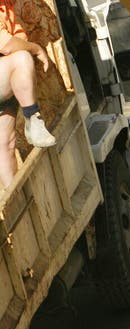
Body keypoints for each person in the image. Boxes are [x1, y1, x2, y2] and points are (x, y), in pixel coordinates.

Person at [0, 0, 56, 188]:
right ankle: (33, 117)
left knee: (6, 145)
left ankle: (14, 199)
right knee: (21, 59)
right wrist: (36, 48)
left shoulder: (6, 6)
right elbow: (5, 44)